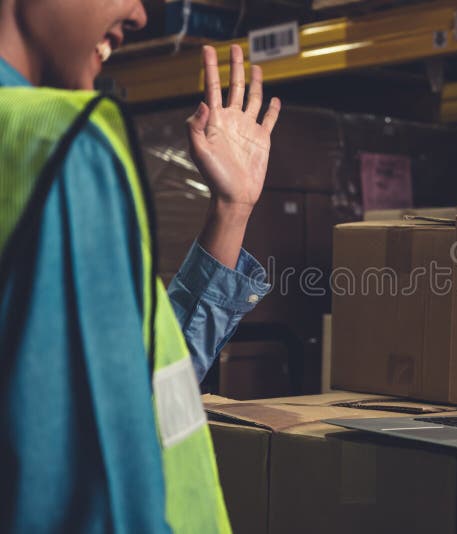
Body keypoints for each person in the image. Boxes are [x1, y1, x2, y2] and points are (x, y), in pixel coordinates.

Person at [0, 1, 280, 531]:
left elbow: (142, 379)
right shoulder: (53, 146)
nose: (140, 15)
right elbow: (104, 454)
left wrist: (231, 209)